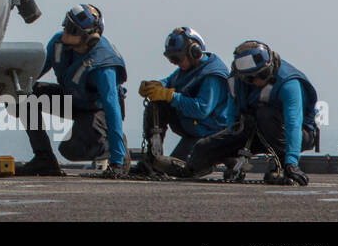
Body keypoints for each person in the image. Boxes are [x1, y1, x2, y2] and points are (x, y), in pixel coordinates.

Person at [183, 40, 318, 185]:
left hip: (293, 133)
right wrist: (224, 145)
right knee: (202, 149)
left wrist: (292, 163)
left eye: (262, 75)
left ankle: (281, 163)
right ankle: (207, 165)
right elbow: (231, 119)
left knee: (264, 114)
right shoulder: (237, 82)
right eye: (250, 78)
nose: (256, 81)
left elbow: (293, 124)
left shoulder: (288, 84)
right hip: (253, 130)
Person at [19, 4, 129, 177]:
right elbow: (33, 74)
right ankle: (44, 158)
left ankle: (113, 148)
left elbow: (112, 108)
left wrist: (117, 162)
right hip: (73, 100)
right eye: (65, 23)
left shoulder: (103, 65)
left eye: (71, 28)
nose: (64, 31)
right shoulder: (58, 44)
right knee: (24, 96)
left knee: (70, 150)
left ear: (88, 37)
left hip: (96, 109)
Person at [134, 27, 231, 175]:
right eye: (172, 59)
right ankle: (153, 155)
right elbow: (171, 81)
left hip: (209, 133)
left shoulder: (213, 76)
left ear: (194, 52)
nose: (175, 63)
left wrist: (170, 96)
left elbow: (201, 110)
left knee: (177, 170)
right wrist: (157, 85)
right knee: (157, 104)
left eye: (177, 59)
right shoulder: (188, 69)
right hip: (193, 128)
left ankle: (214, 160)